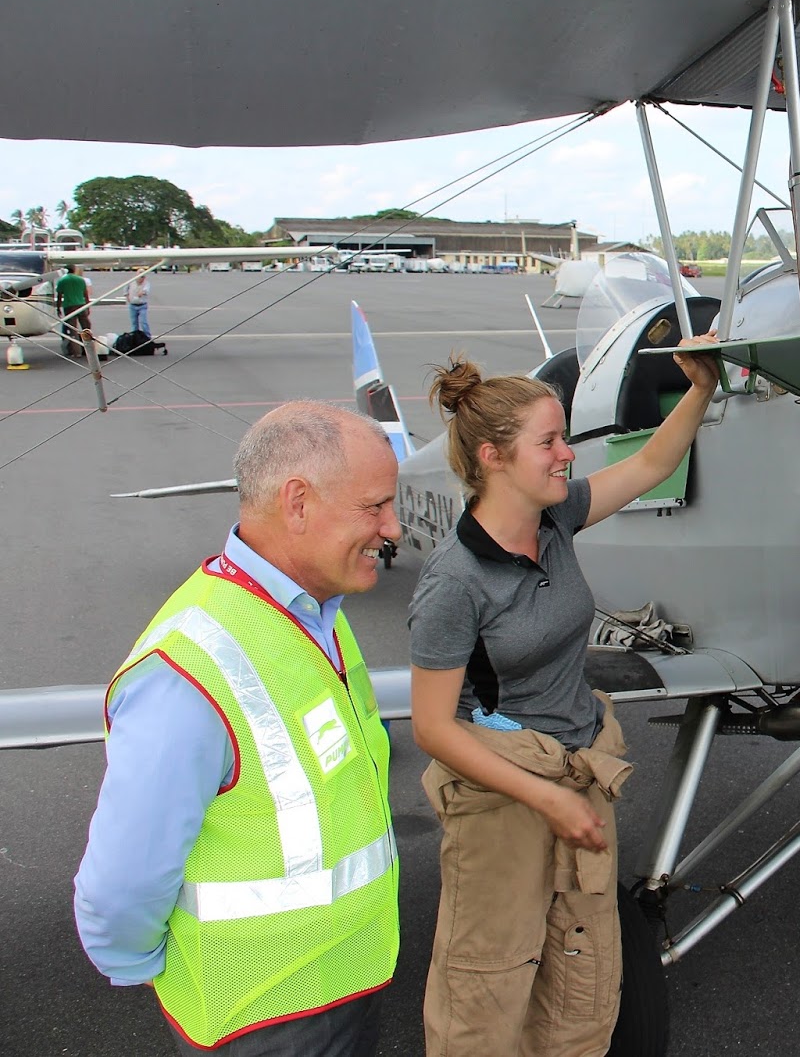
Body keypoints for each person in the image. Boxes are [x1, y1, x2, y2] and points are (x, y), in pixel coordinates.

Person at [409, 335, 719, 1055]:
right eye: (550, 442)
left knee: (581, 975)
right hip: (500, 796)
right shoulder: (454, 584)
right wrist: (545, 797)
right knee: (487, 987)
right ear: (493, 458)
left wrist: (700, 388)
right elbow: (432, 726)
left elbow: (650, 464)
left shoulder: (554, 520)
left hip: (576, 769)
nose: (567, 454)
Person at [74, 401, 404, 1056]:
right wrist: (145, 966)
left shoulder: (315, 613)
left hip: (342, 984)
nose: (393, 529)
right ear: (299, 503)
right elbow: (119, 888)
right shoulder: (186, 671)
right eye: (375, 507)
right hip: (263, 1021)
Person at [55, 263, 92, 358]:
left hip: (69, 306)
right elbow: (85, 294)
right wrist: (87, 306)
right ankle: (90, 349)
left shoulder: (62, 280)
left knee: (72, 330)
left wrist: (58, 307)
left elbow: (59, 295)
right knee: (86, 328)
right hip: (81, 304)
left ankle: (77, 352)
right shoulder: (80, 280)